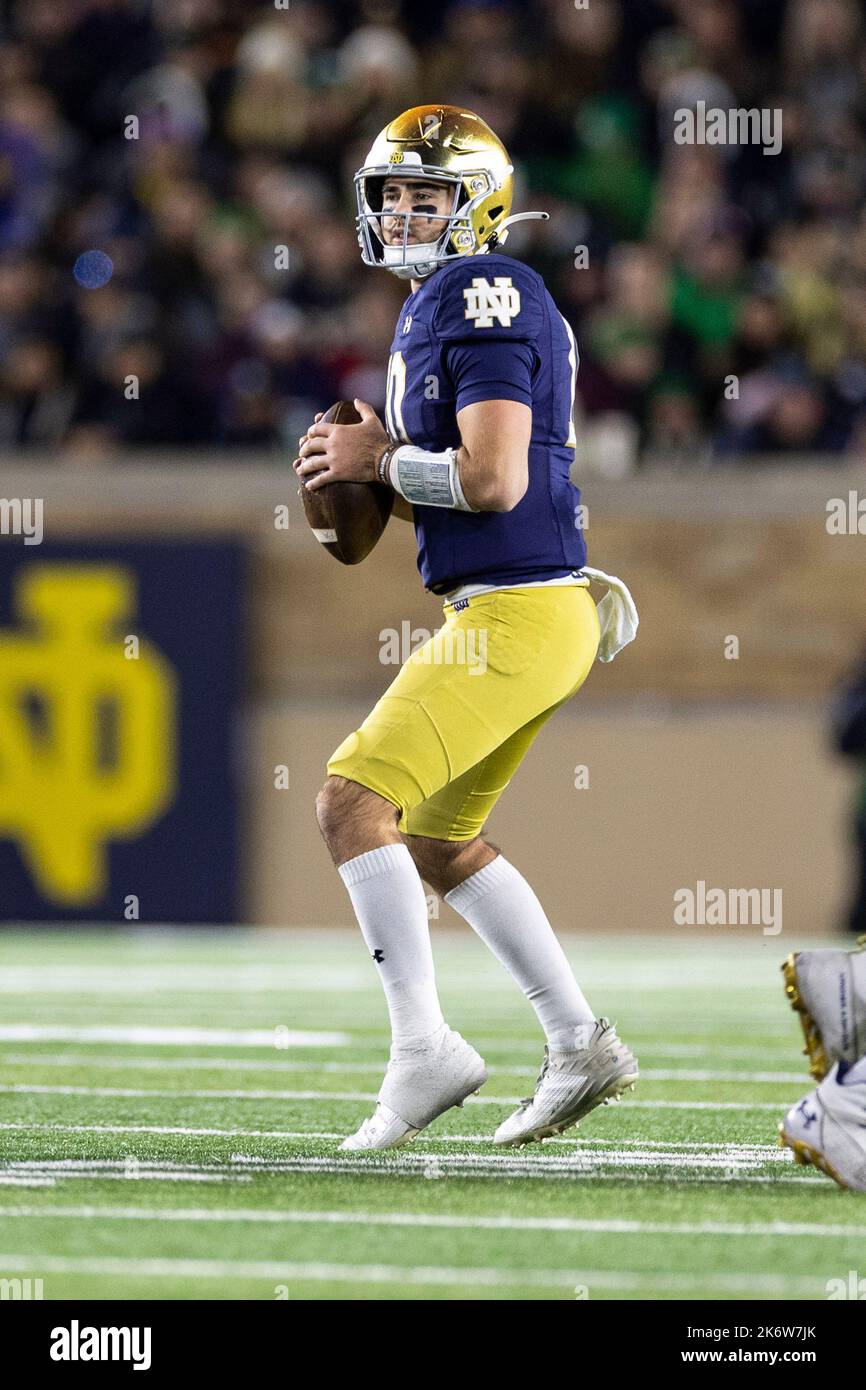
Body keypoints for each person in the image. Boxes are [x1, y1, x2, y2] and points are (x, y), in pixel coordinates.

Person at [293, 105, 638, 1152]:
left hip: (521, 610)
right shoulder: (440, 302)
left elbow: (490, 480)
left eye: (426, 195)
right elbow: (466, 490)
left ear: (475, 204)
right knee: (436, 840)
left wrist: (376, 466)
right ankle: (578, 1040)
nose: (402, 211)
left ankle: (423, 1048)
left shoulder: (479, 290)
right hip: (525, 606)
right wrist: (374, 484)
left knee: (351, 804)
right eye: (391, 193)